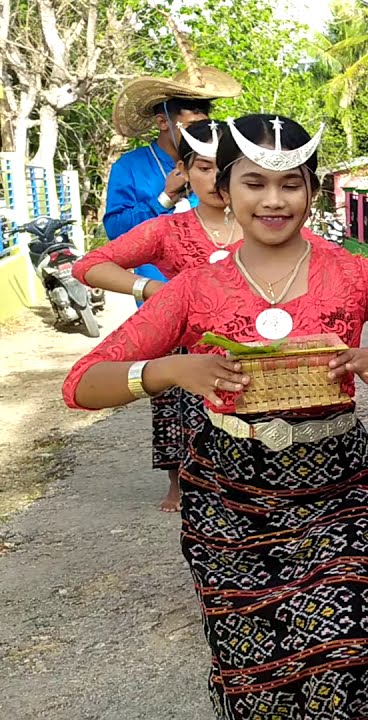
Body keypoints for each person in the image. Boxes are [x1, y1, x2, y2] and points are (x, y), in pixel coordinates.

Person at [62, 114, 368, 718]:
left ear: (313, 191)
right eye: (254, 183)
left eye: (291, 184)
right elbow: (82, 384)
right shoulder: (196, 287)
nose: (274, 200)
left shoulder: (352, 272)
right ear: (225, 191)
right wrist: (172, 370)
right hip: (225, 493)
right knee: (251, 671)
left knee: (343, 653)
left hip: (337, 485)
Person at [75, 120, 239, 512]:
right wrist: (154, 290)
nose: (216, 179)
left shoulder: (261, 224)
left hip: (247, 341)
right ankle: (179, 481)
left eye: (225, 168)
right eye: (203, 168)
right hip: (184, 340)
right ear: (183, 171)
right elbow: (90, 265)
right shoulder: (168, 230)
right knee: (177, 406)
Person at [104, 32, 241, 301]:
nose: (197, 137)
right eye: (190, 128)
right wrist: (165, 198)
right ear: (163, 122)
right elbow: (116, 232)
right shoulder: (130, 167)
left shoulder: (225, 162)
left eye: (202, 127)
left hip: (223, 292)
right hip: (160, 299)